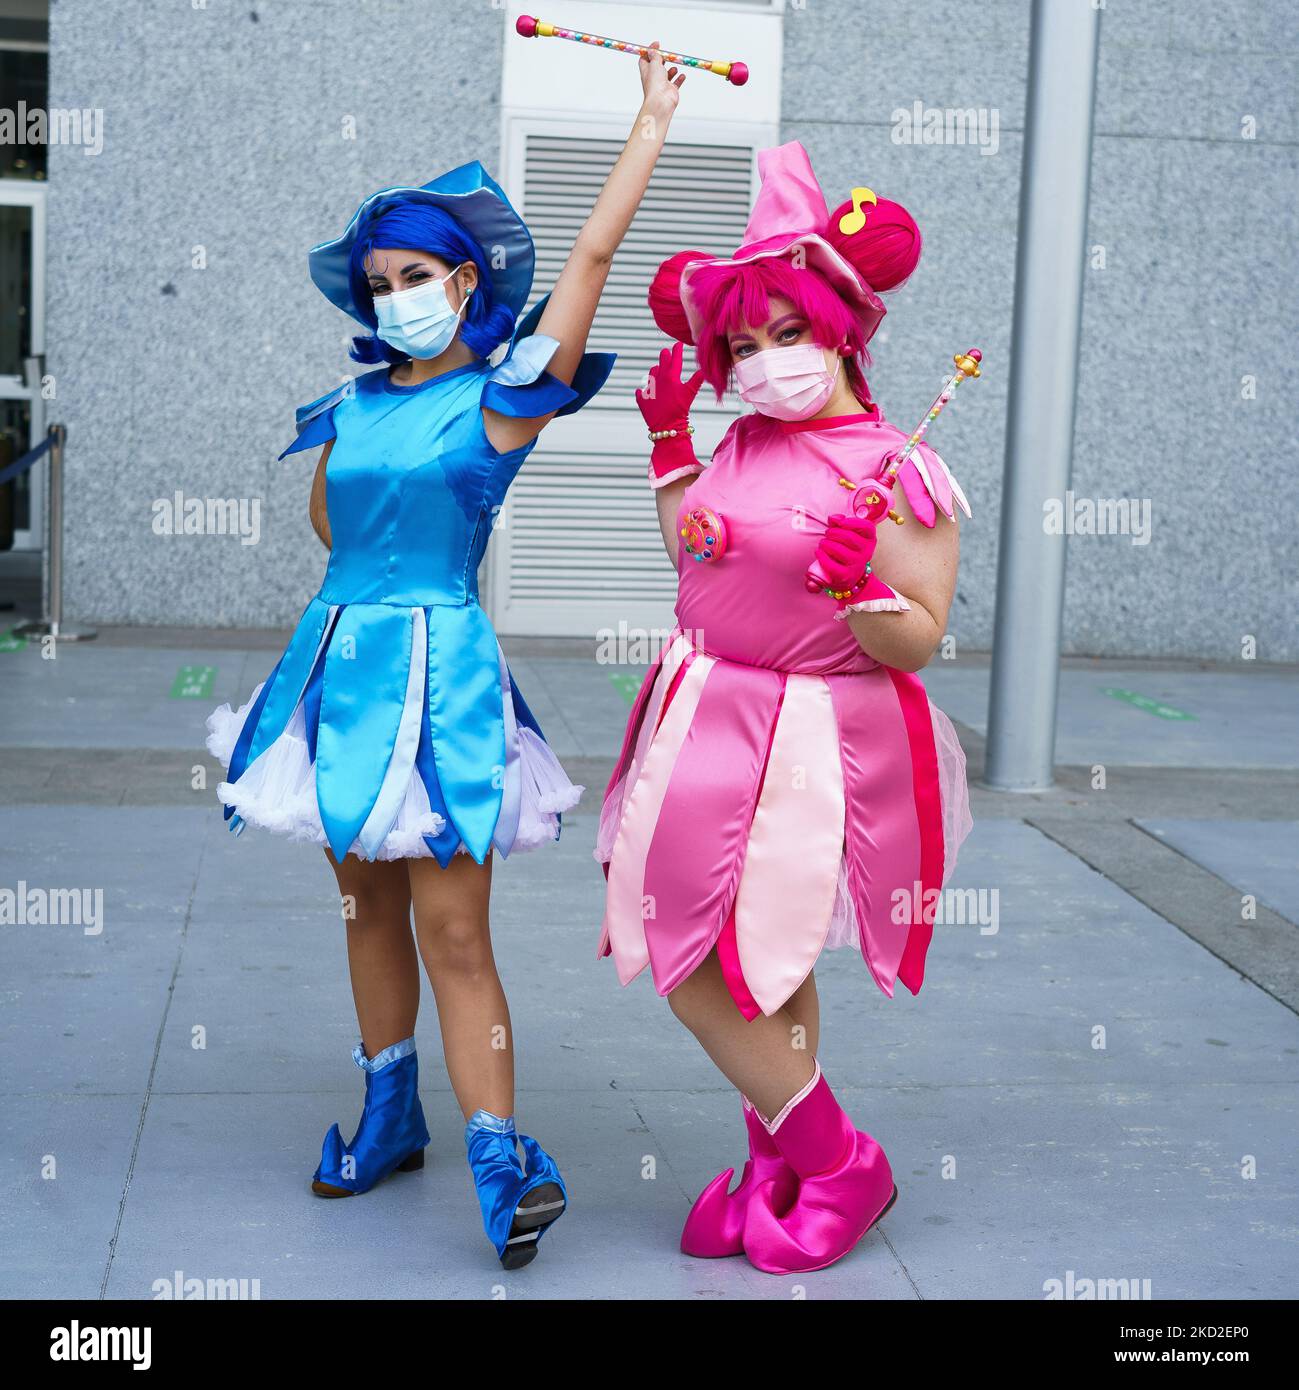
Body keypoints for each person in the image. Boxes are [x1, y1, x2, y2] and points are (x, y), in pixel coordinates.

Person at [206, 46, 688, 1270]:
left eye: (415, 274)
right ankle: (388, 1113)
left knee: (456, 932)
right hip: (333, 660)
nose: (392, 294)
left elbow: (584, 265)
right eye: (377, 280)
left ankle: (494, 1149)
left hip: (441, 677)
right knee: (362, 902)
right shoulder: (350, 404)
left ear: (464, 280)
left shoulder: (502, 398)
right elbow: (330, 531)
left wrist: (646, 127)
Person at [596, 141, 973, 1275]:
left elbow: (919, 636)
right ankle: (780, 1162)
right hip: (702, 712)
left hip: (810, 734)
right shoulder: (742, 442)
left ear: (844, 327)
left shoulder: (896, 465)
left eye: (787, 334)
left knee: (698, 955)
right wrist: (669, 448)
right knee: (755, 953)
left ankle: (840, 1157)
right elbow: (697, 558)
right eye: (743, 346)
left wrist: (863, 585)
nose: (764, 364)